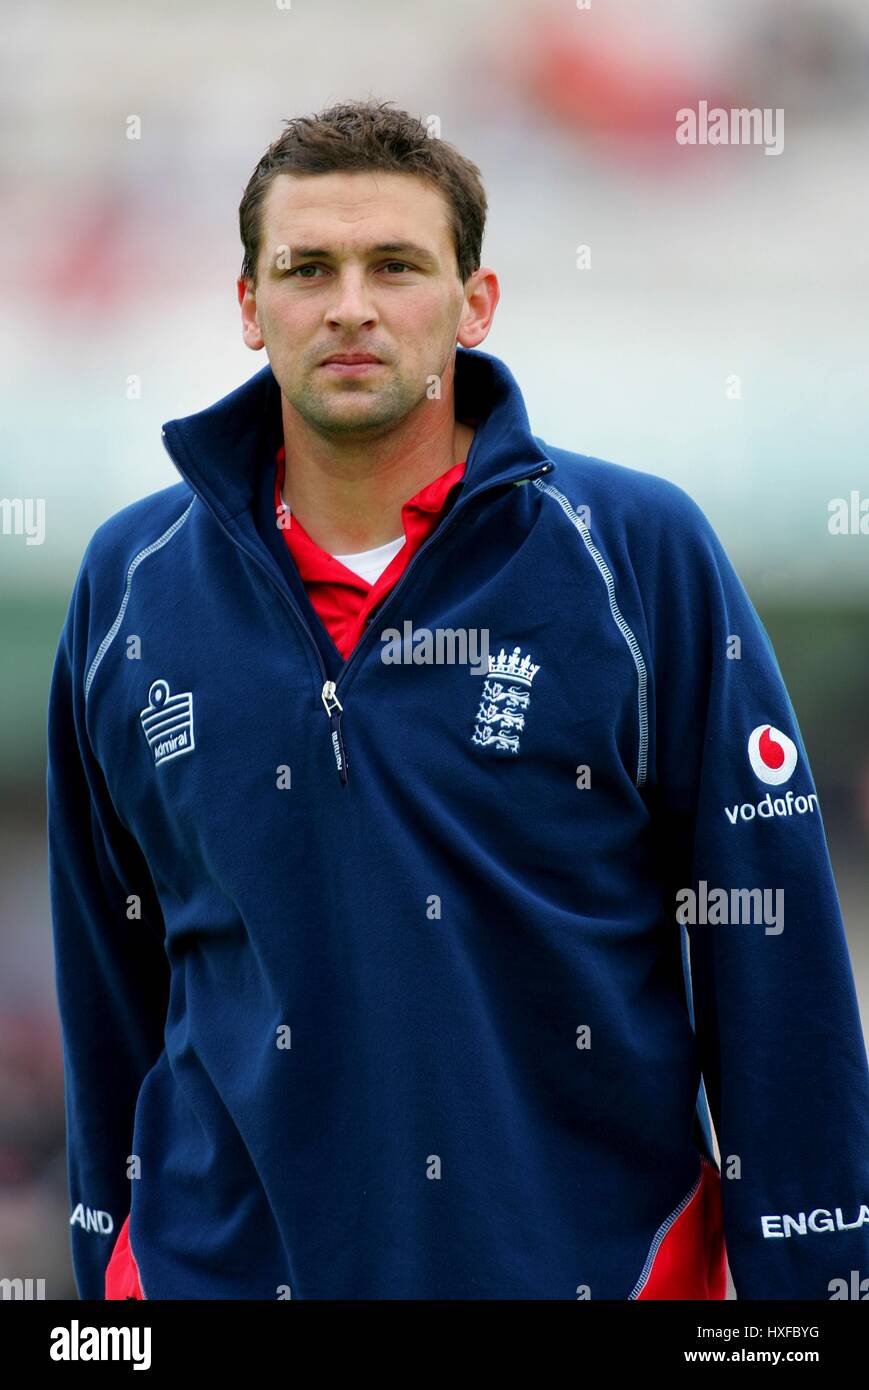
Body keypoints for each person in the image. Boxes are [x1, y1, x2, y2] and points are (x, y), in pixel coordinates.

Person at [47, 98, 869, 1302]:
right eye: (305, 268)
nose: (349, 307)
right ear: (246, 306)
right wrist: (102, 1273)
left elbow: (768, 949)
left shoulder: (636, 556)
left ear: (474, 304)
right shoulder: (130, 584)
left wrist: (813, 1286)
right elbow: (106, 969)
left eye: (395, 266)